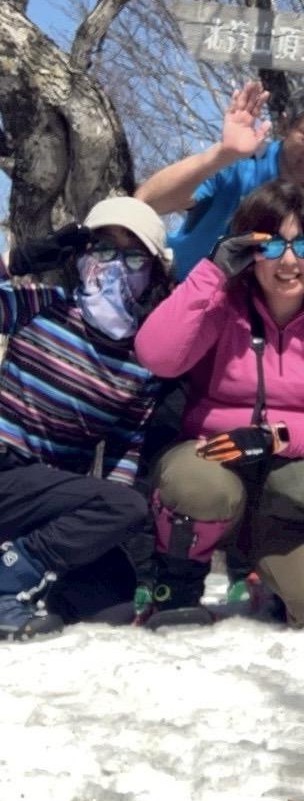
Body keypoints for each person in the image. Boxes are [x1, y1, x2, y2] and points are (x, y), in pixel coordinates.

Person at [134, 180, 304, 628]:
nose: (289, 260)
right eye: (271, 245)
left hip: (288, 481)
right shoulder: (220, 306)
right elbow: (157, 355)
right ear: (247, 250)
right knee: (199, 484)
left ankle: (265, 569)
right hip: (212, 459)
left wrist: (275, 438)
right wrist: (211, 271)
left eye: (303, 244)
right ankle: (178, 584)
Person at [0, 197, 173, 640]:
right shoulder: (42, 303)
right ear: (80, 258)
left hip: (51, 497)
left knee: (111, 602)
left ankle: (19, 573)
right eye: (103, 250)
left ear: (153, 271)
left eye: (133, 255)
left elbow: (124, 449)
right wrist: (12, 262)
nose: (116, 266)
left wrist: (118, 530)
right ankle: (8, 581)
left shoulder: (145, 359)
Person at [136, 79, 304, 279]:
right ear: (284, 125)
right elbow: (148, 201)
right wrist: (221, 154)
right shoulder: (237, 163)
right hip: (179, 294)